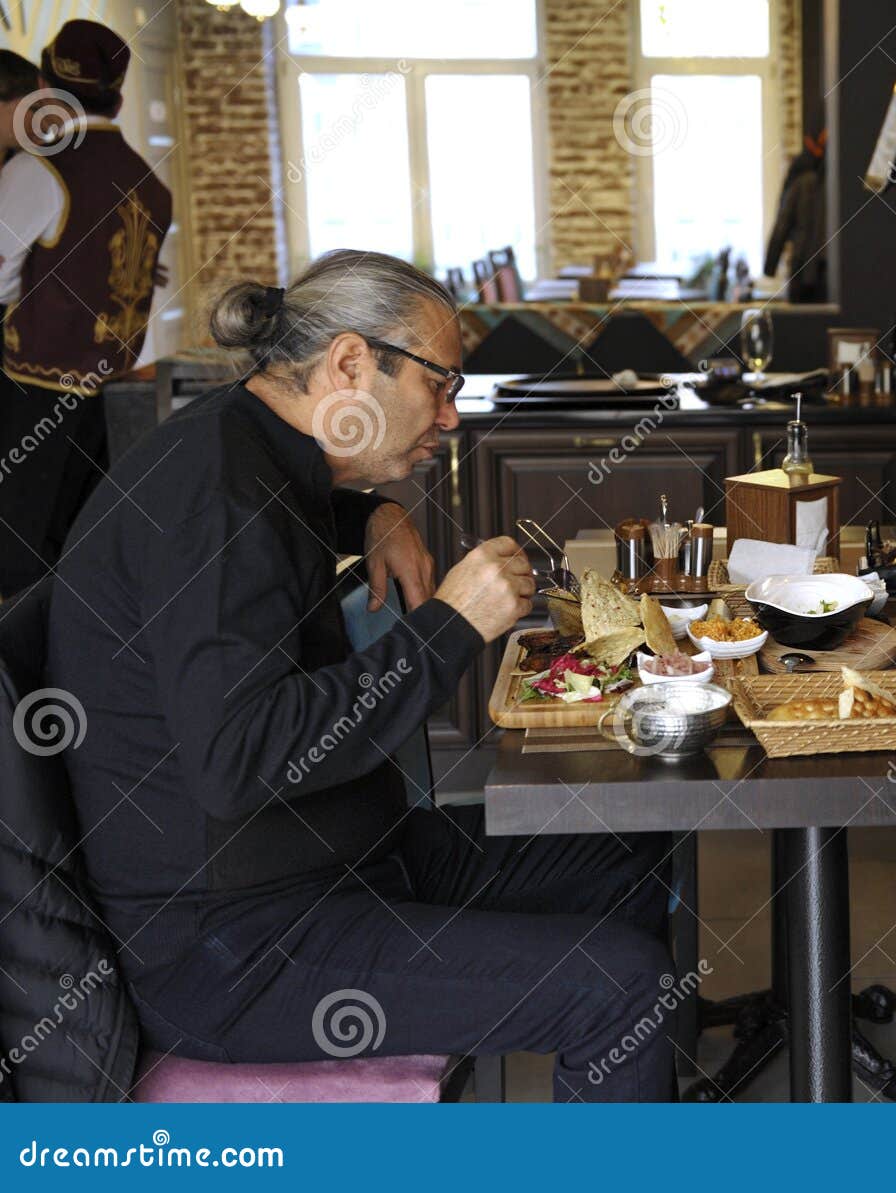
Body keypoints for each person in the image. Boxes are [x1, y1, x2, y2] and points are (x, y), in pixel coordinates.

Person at [48, 250, 675, 1102]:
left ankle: (622, 1104)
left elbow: (277, 534)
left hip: (339, 859)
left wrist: (369, 509)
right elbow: (240, 756)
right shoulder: (218, 497)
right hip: (238, 945)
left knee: (626, 853)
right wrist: (449, 627)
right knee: (620, 986)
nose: (450, 417)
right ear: (350, 363)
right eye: (440, 384)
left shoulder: (248, 449)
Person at [0, 20, 171, 597]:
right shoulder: (151, 184)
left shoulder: (41, 168)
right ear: (119, 96)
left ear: (46, 86)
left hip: (26, 392)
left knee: (12, 560)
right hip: (106, 395)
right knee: (71, 555)